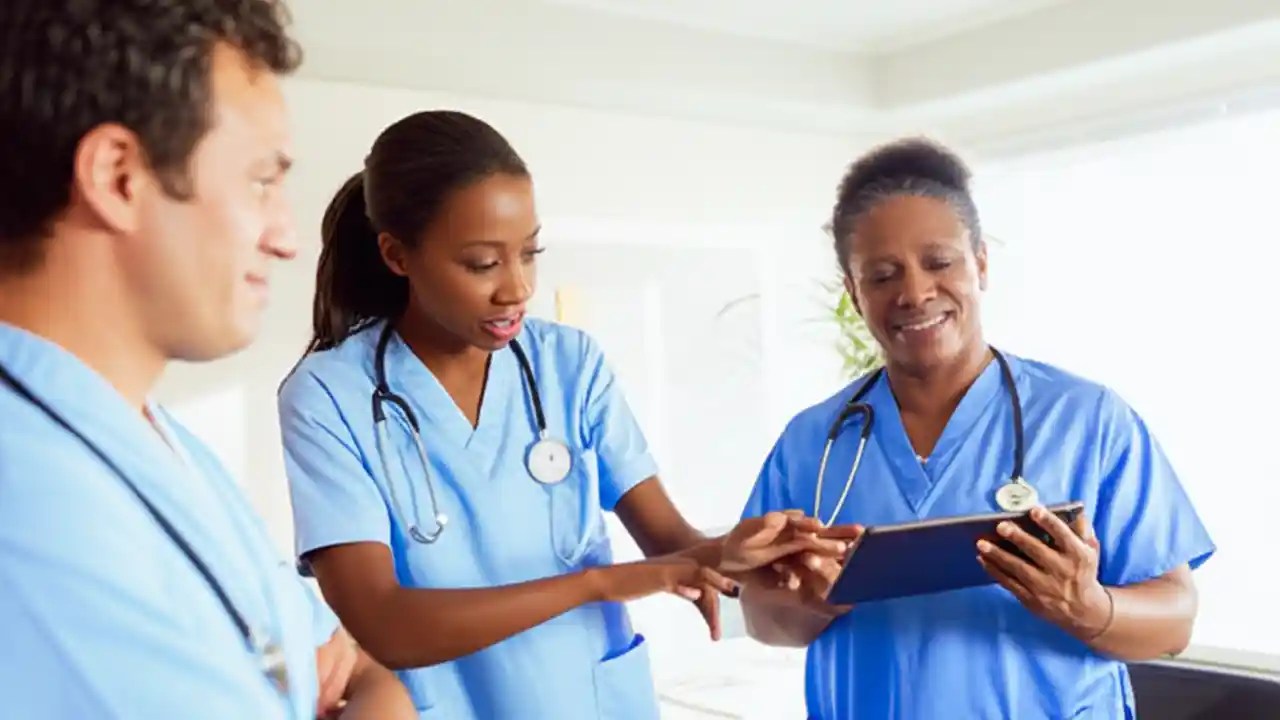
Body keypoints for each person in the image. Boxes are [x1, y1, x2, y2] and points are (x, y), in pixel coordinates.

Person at [276, 109, 847, 719]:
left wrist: (746, 552)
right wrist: (599, 583)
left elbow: (672, 546)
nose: (517, 288)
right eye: (482, 263)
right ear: (397, 255)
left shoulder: (569, 364)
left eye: (530, 252)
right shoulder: (329, 395)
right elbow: (385, 622)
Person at [0, 2, 415, 718]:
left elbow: (362, 666)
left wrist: (365, 685)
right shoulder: (31, 508)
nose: (286, 238)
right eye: (261, 181)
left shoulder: (154, 439)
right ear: (119, 176)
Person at [738, 138, 1215, 719]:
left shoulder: (1087, 421)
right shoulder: (813, 441)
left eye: (939, 263)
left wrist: (1087, 606)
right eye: (882, 275)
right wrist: (814, 601)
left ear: (980, 263)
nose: (915, 293)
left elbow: (1175, 620)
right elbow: (762, 617)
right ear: (854, 294)